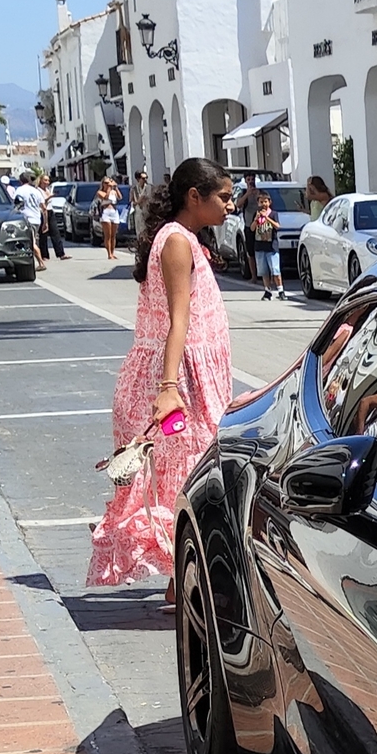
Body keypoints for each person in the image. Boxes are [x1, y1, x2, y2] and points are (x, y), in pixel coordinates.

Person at [89, 158, 236, 600]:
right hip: (182, 379)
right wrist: (169, 389)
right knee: (187, 475)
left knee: (189, 473)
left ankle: (182, 584)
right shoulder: (176, 242)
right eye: (223, 198)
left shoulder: (183, 238)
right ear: (195, 197)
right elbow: (178, 321)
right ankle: (185, 585)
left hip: (191, 374)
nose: (230, 206)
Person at [246, 190, 282, 300]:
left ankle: (281, 290)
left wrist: (267, 219)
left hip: (271, 246)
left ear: (269, 202)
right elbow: (252, 229)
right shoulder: (256, 214)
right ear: (258, 203)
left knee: (275, 270)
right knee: (263, 271)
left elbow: (277, 226)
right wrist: (256, 220)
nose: (263, 204)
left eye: (265, 201)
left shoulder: (273, 214)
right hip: (259, 246)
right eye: (261, 202)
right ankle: (267, 291)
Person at [13, 173, 50, 265]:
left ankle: (41, 263)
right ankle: (31, 261)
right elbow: (44, 208)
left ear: (20, 181)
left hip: (26, 219)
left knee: (31, 242)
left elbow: (14, 204)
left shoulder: (19, 191)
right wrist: (45, 223)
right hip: (36, 219)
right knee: (30, 241)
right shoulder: (36, 191)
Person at [97, 175, 124, 261]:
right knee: (108, 235)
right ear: (103, 184)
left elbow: (120, 197)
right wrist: (109, 187)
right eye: (106, 183)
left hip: (114, 212)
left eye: (109, 182)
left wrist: (116, 188)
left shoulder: (113, 191)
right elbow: (106, 197)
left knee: (113, 235)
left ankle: (113, 252)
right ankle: (109, 253)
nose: (108, 184)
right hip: (106, 213)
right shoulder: (100, 192)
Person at [44, 176, 72, 260]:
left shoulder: (47, 190)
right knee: (43, 234)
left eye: (48, 180)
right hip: (43, 212)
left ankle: (61, 253)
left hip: (50, 211)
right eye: (45, 180)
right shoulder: (38, 190)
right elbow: (41, 202)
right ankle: (44, 255)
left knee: (55, 232)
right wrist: (50, 197)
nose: (47, 182)